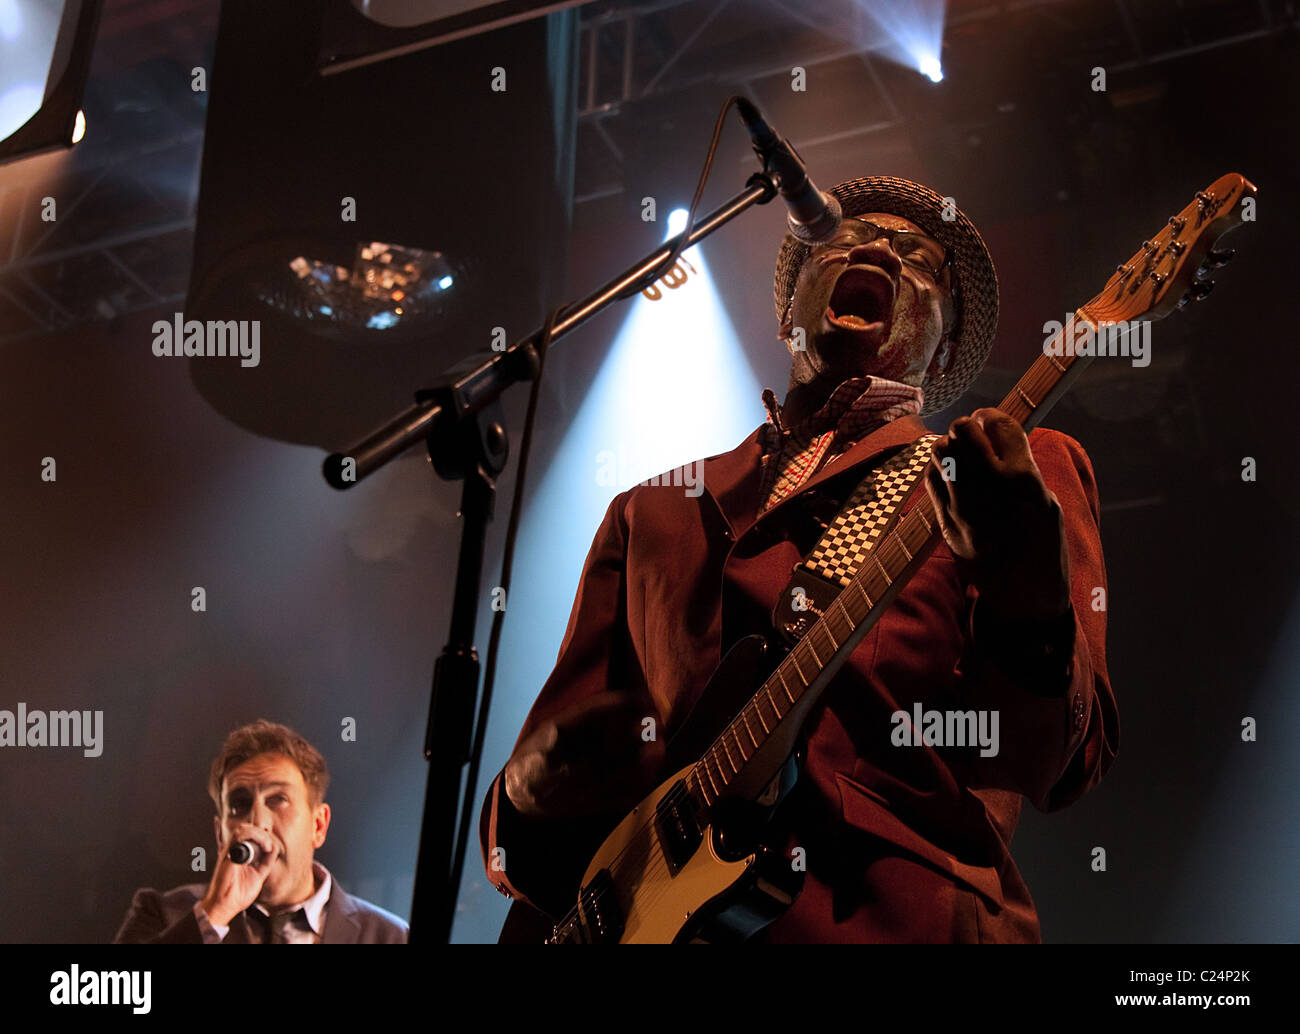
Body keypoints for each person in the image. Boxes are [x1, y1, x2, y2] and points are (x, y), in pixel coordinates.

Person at [479, 176, 1119, 943]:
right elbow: (561, 791)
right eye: (844, 240)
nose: (877, 248)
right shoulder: (654, 512)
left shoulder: (1003, 474)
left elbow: (1061, 765)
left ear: (945, 344)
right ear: (789, 311)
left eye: (917, 255)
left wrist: (1028, 587)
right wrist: (527, 795)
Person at [114, 719, 407, 943]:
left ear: (318, 825)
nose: (257, 821)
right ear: (220, 836)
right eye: (239, 805)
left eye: (277, 800)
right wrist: (213, 914)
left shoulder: (389, 937)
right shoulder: (163, 914)